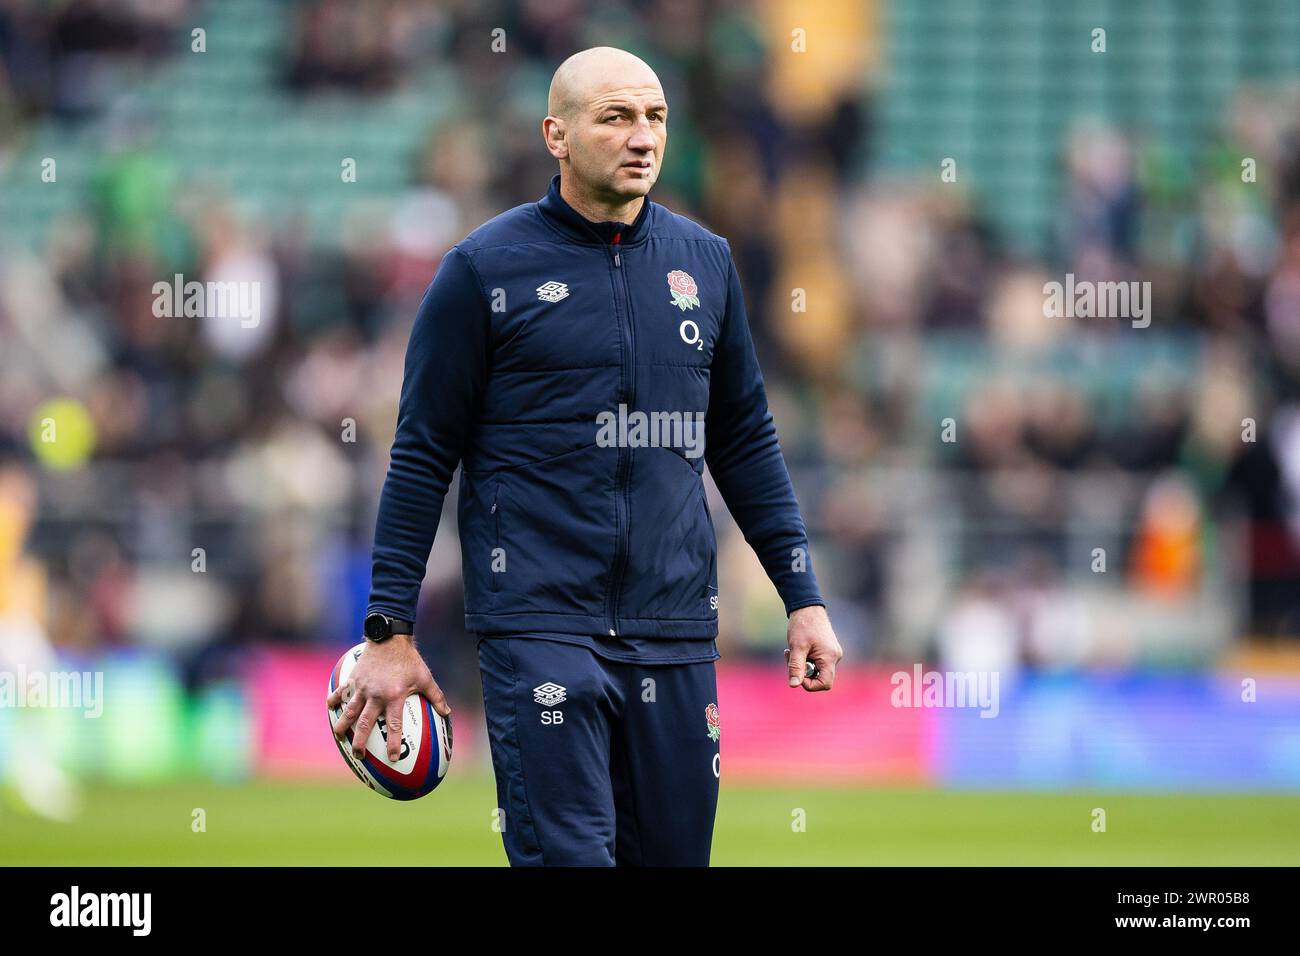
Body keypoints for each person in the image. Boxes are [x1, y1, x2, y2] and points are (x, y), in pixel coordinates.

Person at [328, 46, 842, 866]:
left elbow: (743, 438)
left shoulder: (705, 263)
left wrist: (802, 597)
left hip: (673, 629)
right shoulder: (481, 271)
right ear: (556, 135)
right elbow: (423, 453)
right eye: (616, 117)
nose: (643, 137)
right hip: (538, 624)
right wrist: (390, 630)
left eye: (656, 117)